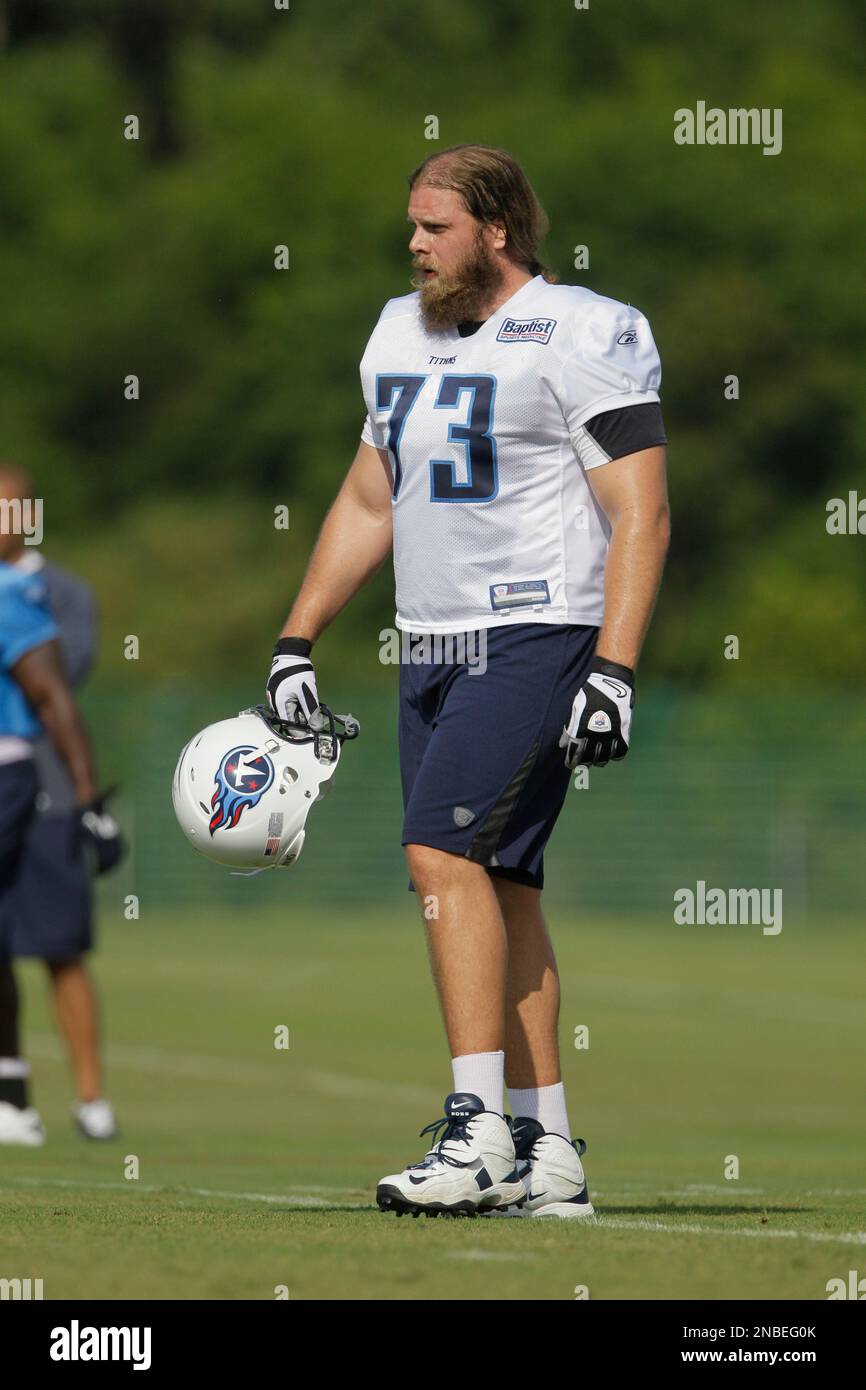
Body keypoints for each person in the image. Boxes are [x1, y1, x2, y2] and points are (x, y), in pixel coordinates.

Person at [266, 145, 670, 1218]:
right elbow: (368, 499)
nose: (412, 243)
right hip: (429, 643)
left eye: (433, 225)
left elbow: (641, 509)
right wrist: (296, 639)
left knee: (438, 850)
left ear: (496, 230)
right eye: (410, 223)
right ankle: (547, 1153)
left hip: (538, 629)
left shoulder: (583, 328)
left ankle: (474, 1131)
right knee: (497, 885)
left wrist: (616, 670)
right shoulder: (397, 330)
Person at [0, 466, 120, 1144]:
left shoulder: (58, 593)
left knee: (61, 947)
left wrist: (86, 798)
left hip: (41, 790)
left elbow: (57, 680)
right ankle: (13, 1095)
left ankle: (90, 1098)